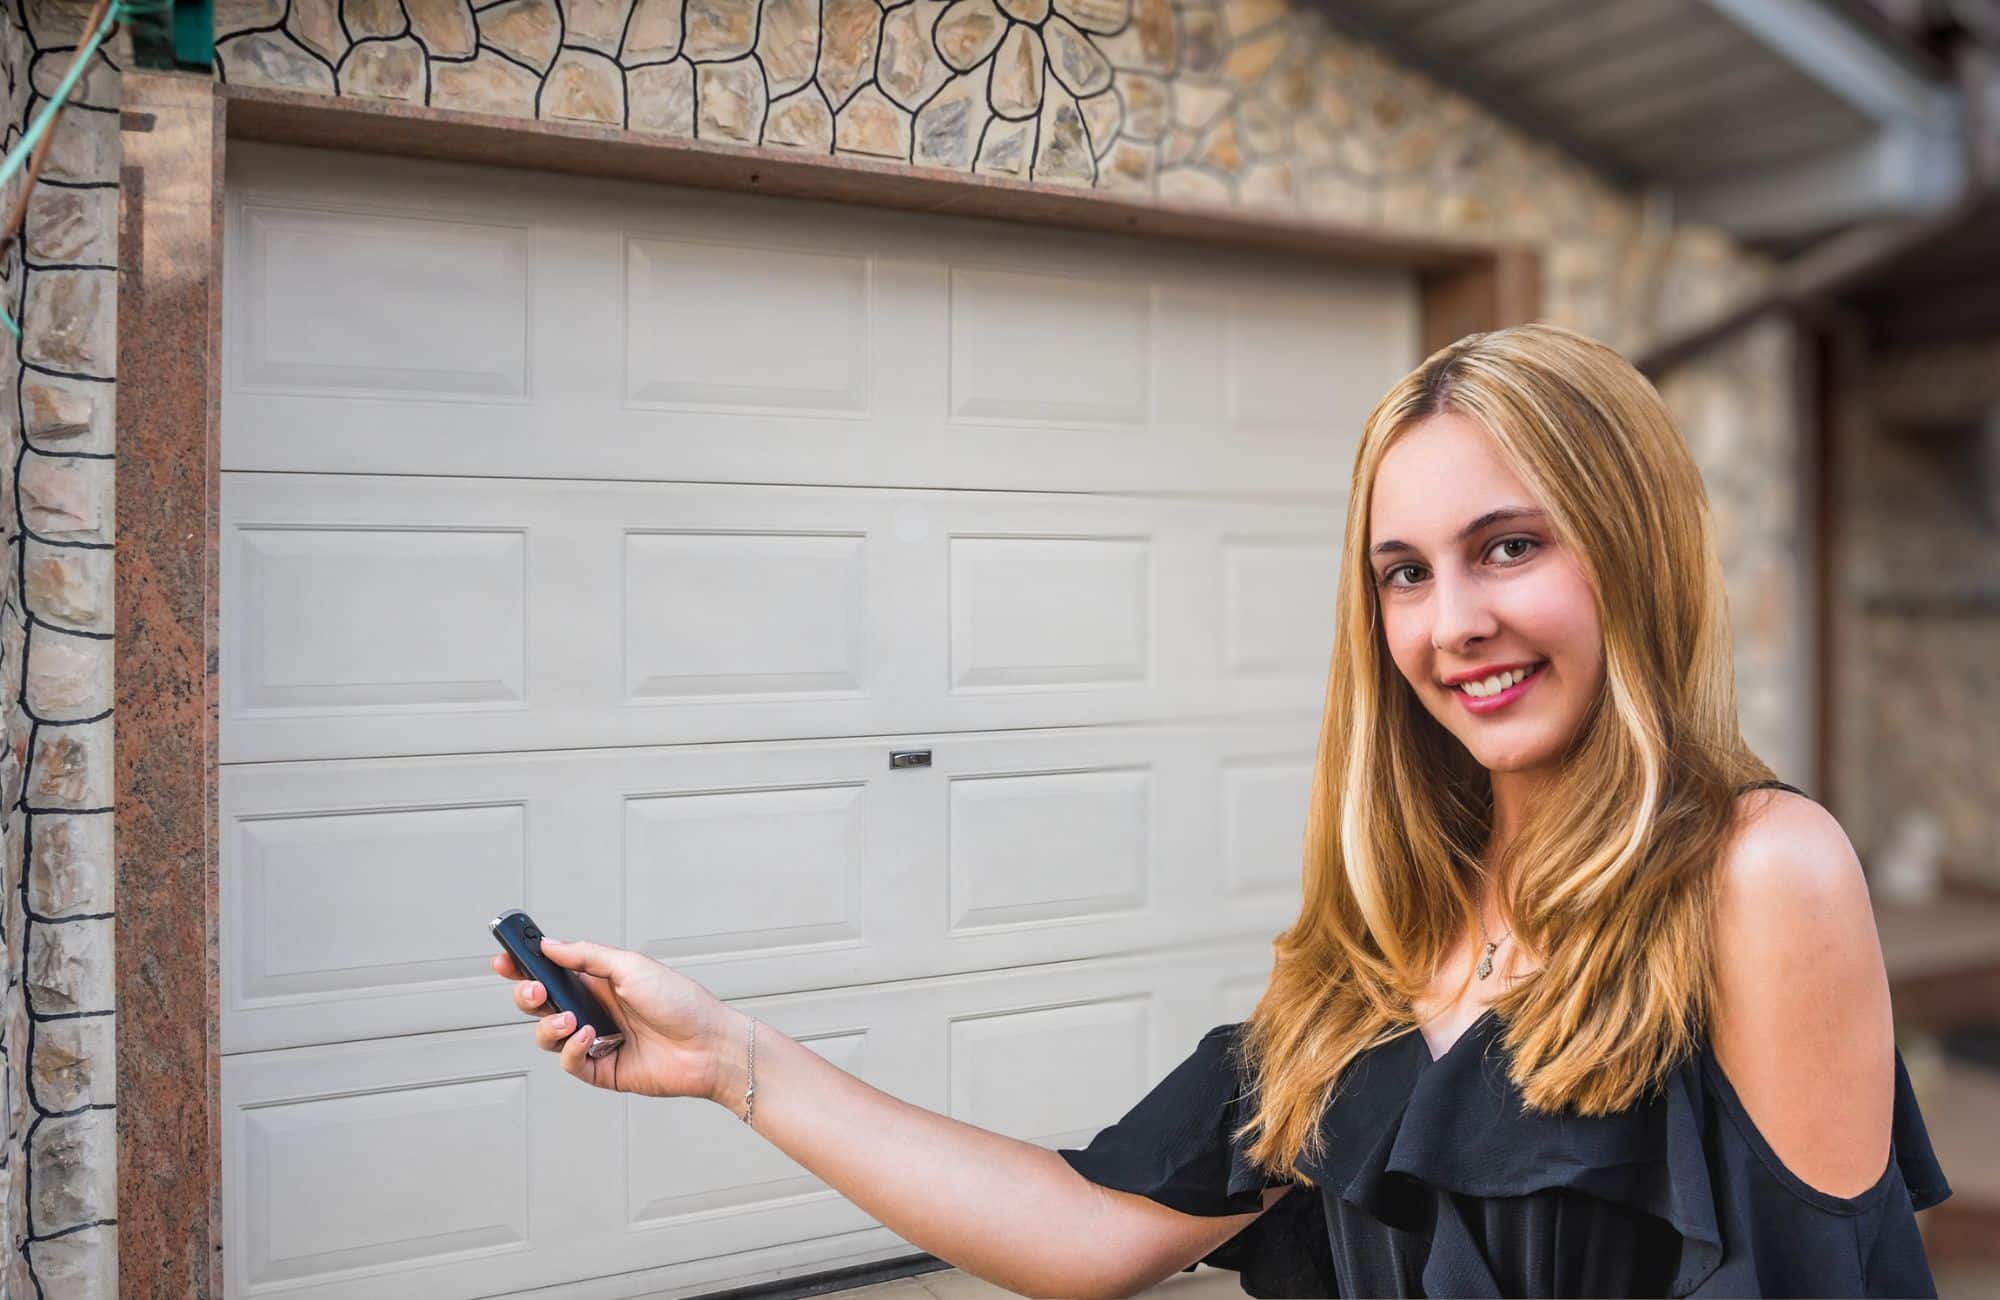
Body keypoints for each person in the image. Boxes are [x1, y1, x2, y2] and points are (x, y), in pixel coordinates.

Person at [493, 323, 1951, 1298]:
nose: (1453, 622)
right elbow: (1092, 1226)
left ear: (1634, 552)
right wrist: (734, 1060)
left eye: (1508, 546)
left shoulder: (1760, 876)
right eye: (1405, 572)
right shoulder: (1393, 925)